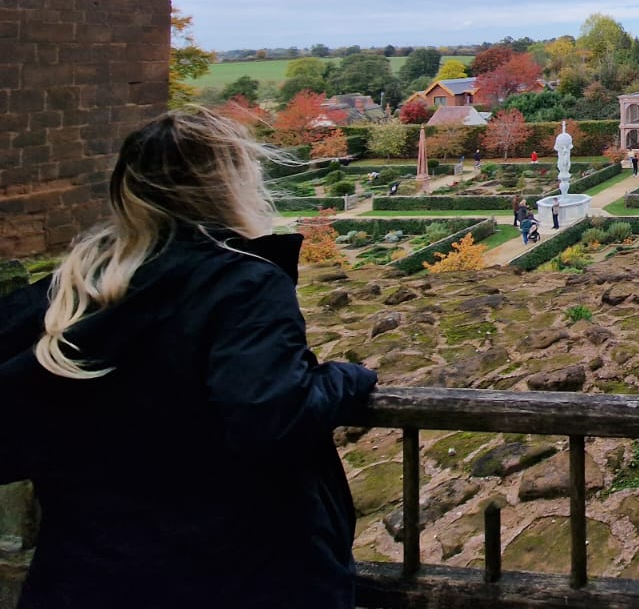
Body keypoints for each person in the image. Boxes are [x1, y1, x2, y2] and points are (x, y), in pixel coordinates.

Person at [0, 109, 377, 609]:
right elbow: (270, 415)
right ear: (232, 182)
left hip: (84, 573)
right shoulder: (242, 282)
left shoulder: (71, 291)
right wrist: (348, 379)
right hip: (231, 573)